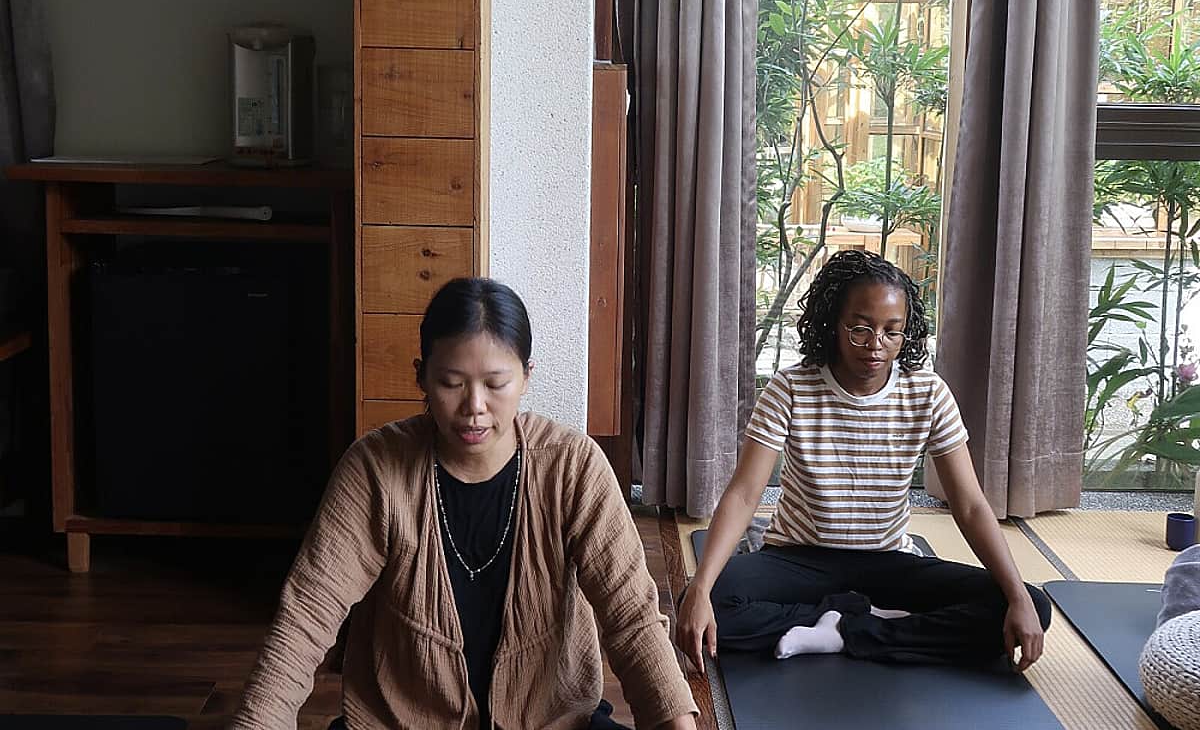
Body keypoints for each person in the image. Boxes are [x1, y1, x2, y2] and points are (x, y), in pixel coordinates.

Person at [233, 277, 697, 729]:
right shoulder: (375, 469)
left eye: (496, 384)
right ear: (422, 376)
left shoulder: (572, 467)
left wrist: (675, 722)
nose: (474, 406)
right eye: (451, 382)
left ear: (526, 377)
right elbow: (306, 617)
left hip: (550, 719)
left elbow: (632, 617)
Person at [677, 250, 1051, 675]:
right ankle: (870, 620)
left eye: (892, 332)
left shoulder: (928, 393)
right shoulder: (791, 387)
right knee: (708, 603)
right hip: (799, 557)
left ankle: (839, 631)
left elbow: (969, 506)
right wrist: (702, 586)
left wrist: (1018, 597)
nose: (876, 346)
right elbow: (745, 494)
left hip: (888, 562)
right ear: (832, 324)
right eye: (860, 329)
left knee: (1031, 605)